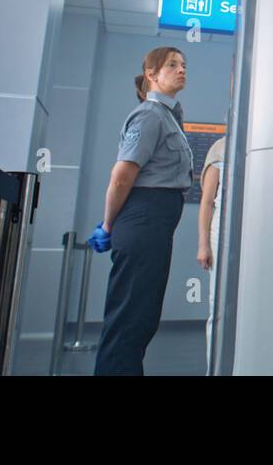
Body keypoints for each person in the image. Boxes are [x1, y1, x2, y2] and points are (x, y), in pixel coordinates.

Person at [89, 46, 194, 376]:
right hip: (144, 218)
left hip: (155, 222)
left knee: (141, 317)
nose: (182, 70)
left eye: (184, 65)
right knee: (130, 319)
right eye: (173, 65)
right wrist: (107, 226)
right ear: (151, 74)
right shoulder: (150, 115)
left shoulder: (168, 117)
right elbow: (121, 177)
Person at [197, 134, 225, 371]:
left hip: (253, 235)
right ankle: (214, 369)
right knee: (218, 306)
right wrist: (203, 244)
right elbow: (207, 202)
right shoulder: (220, 148)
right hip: (221, 234)